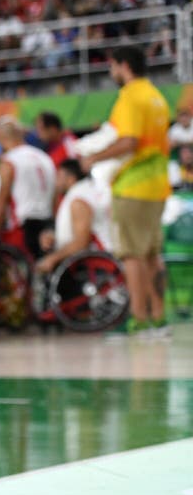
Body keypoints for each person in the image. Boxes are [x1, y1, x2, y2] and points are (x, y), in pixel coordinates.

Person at [79, 46, 170, 335]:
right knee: (152, 255)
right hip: (157, 185)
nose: (111, 72)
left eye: (112, 66)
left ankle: (138, 320)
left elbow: (129, 141)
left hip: (133, 186)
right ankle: (159, 318)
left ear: (123, 65)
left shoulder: (130, 96)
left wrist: (93, 158)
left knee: (132, 255)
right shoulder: (156, 96)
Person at [0, 117, 56, 258]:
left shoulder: (9, 161)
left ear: (1, 138)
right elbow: (55, 198)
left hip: (22, 229)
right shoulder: (45, 157)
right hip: (47, 223)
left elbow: (2, 202)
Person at [36, 159, 112, 274]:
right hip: (102, 260)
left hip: (98, 266)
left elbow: (82, 243)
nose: (56, 182)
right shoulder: (91, 190)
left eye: (59, 176)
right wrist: (55, 237)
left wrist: (52, 259)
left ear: (71, 178)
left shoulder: (79, 200)